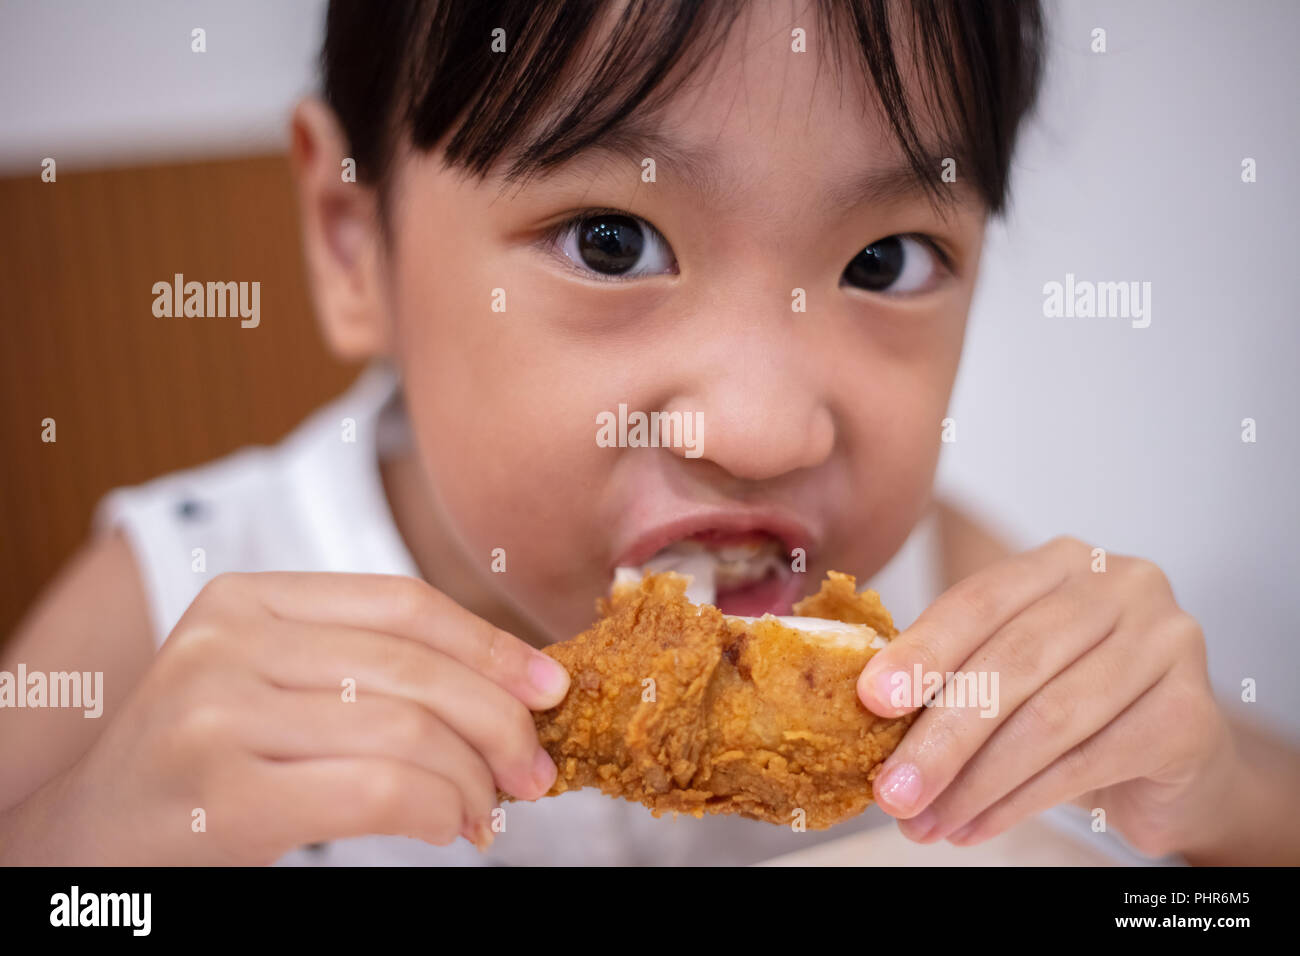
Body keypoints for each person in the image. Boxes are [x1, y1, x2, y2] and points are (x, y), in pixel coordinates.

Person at [2, 0, 1297, 866]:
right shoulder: (179, 593)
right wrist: (85, 856)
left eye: (888, 259)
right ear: (356, 245)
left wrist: (1220, 792)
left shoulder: (923, 605)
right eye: (611, 243)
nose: (764, 431)